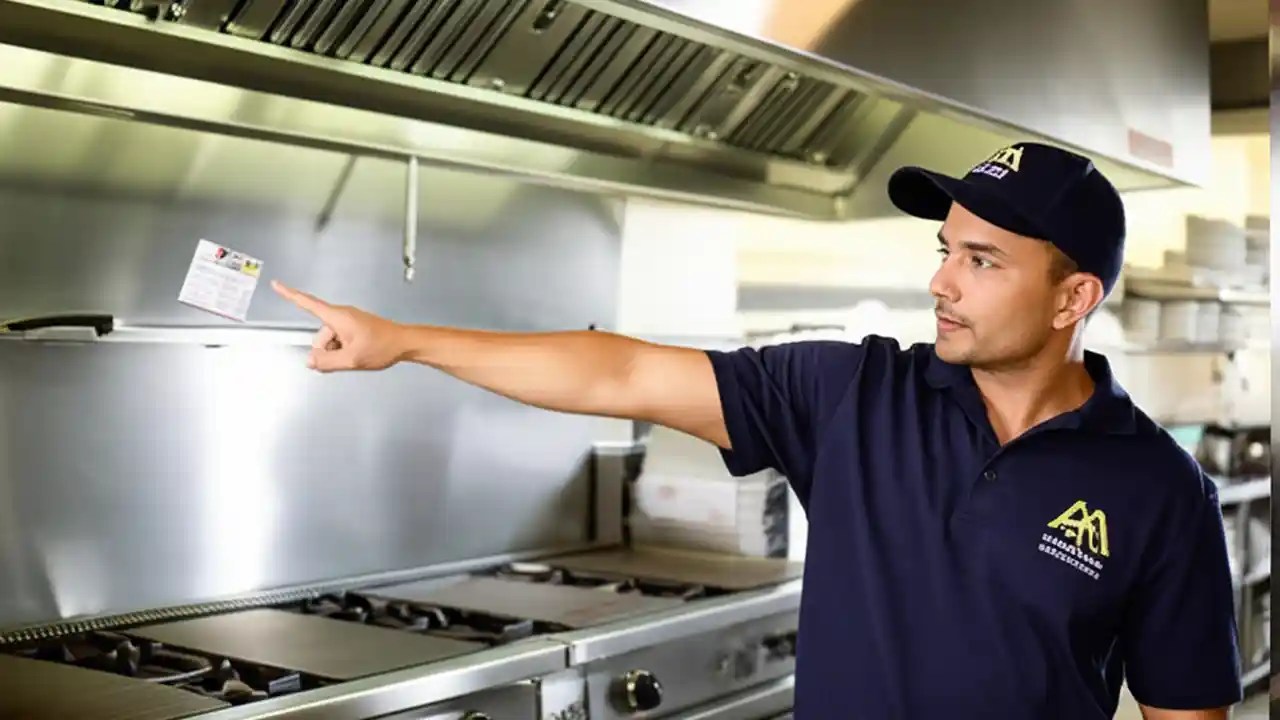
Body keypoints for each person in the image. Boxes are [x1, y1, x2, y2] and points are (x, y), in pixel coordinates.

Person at [273, 141, 1242, 719]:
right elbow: (619, 369)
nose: (940, 280)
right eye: (943, 249)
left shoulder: (1159, 491)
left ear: (1072, 296)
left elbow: (1181, 711)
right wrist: (402, 341)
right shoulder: (850, 392)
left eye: (982, 261)